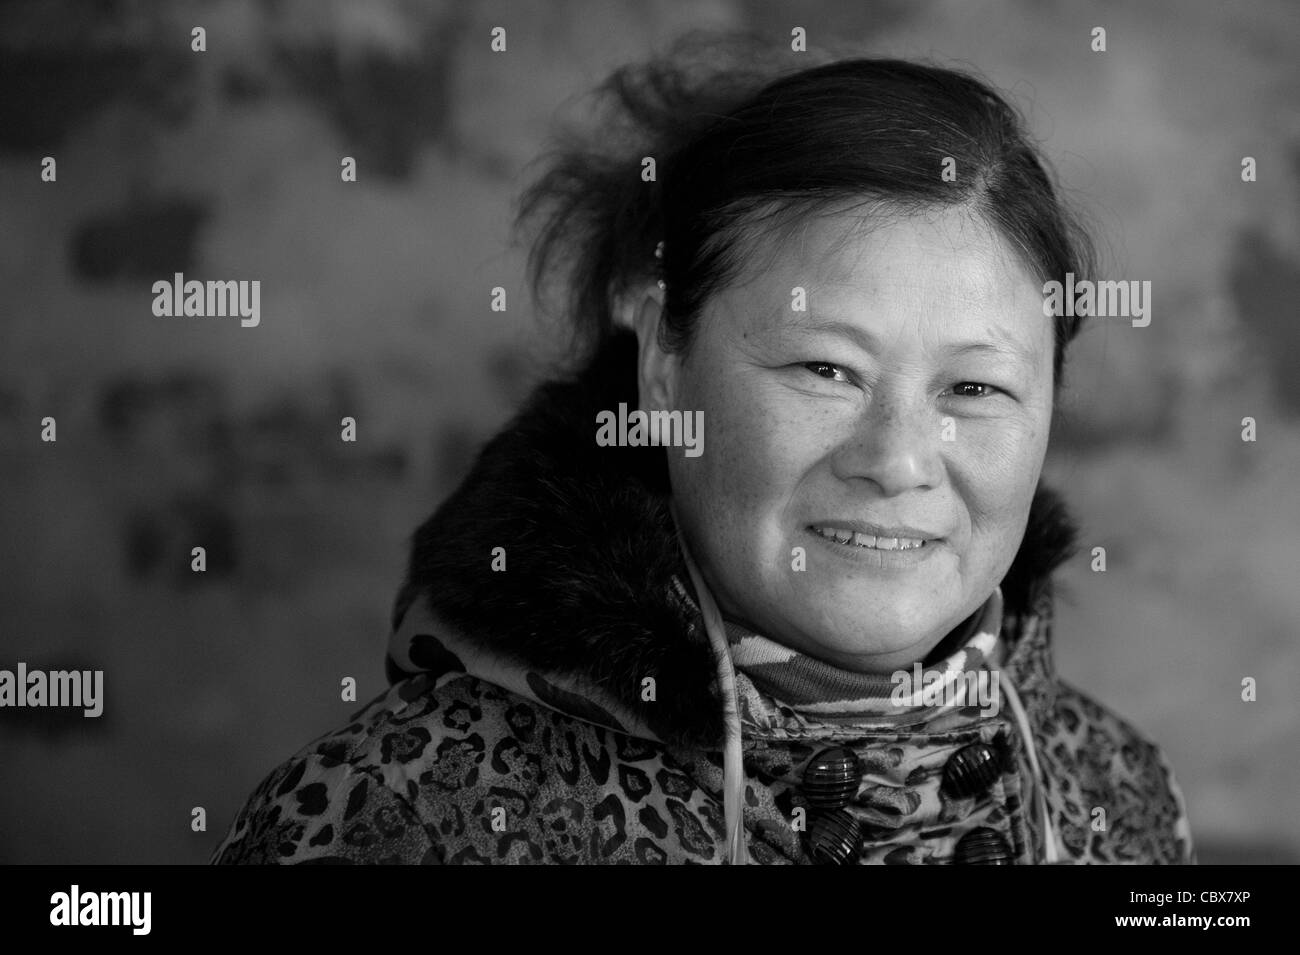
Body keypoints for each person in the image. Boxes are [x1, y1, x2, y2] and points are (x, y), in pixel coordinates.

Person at [212, 38, 1195, 865]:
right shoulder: (405, 817)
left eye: (974, 388)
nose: (897, 460)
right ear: (661, 362)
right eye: (824, 369)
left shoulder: (1117, 794)